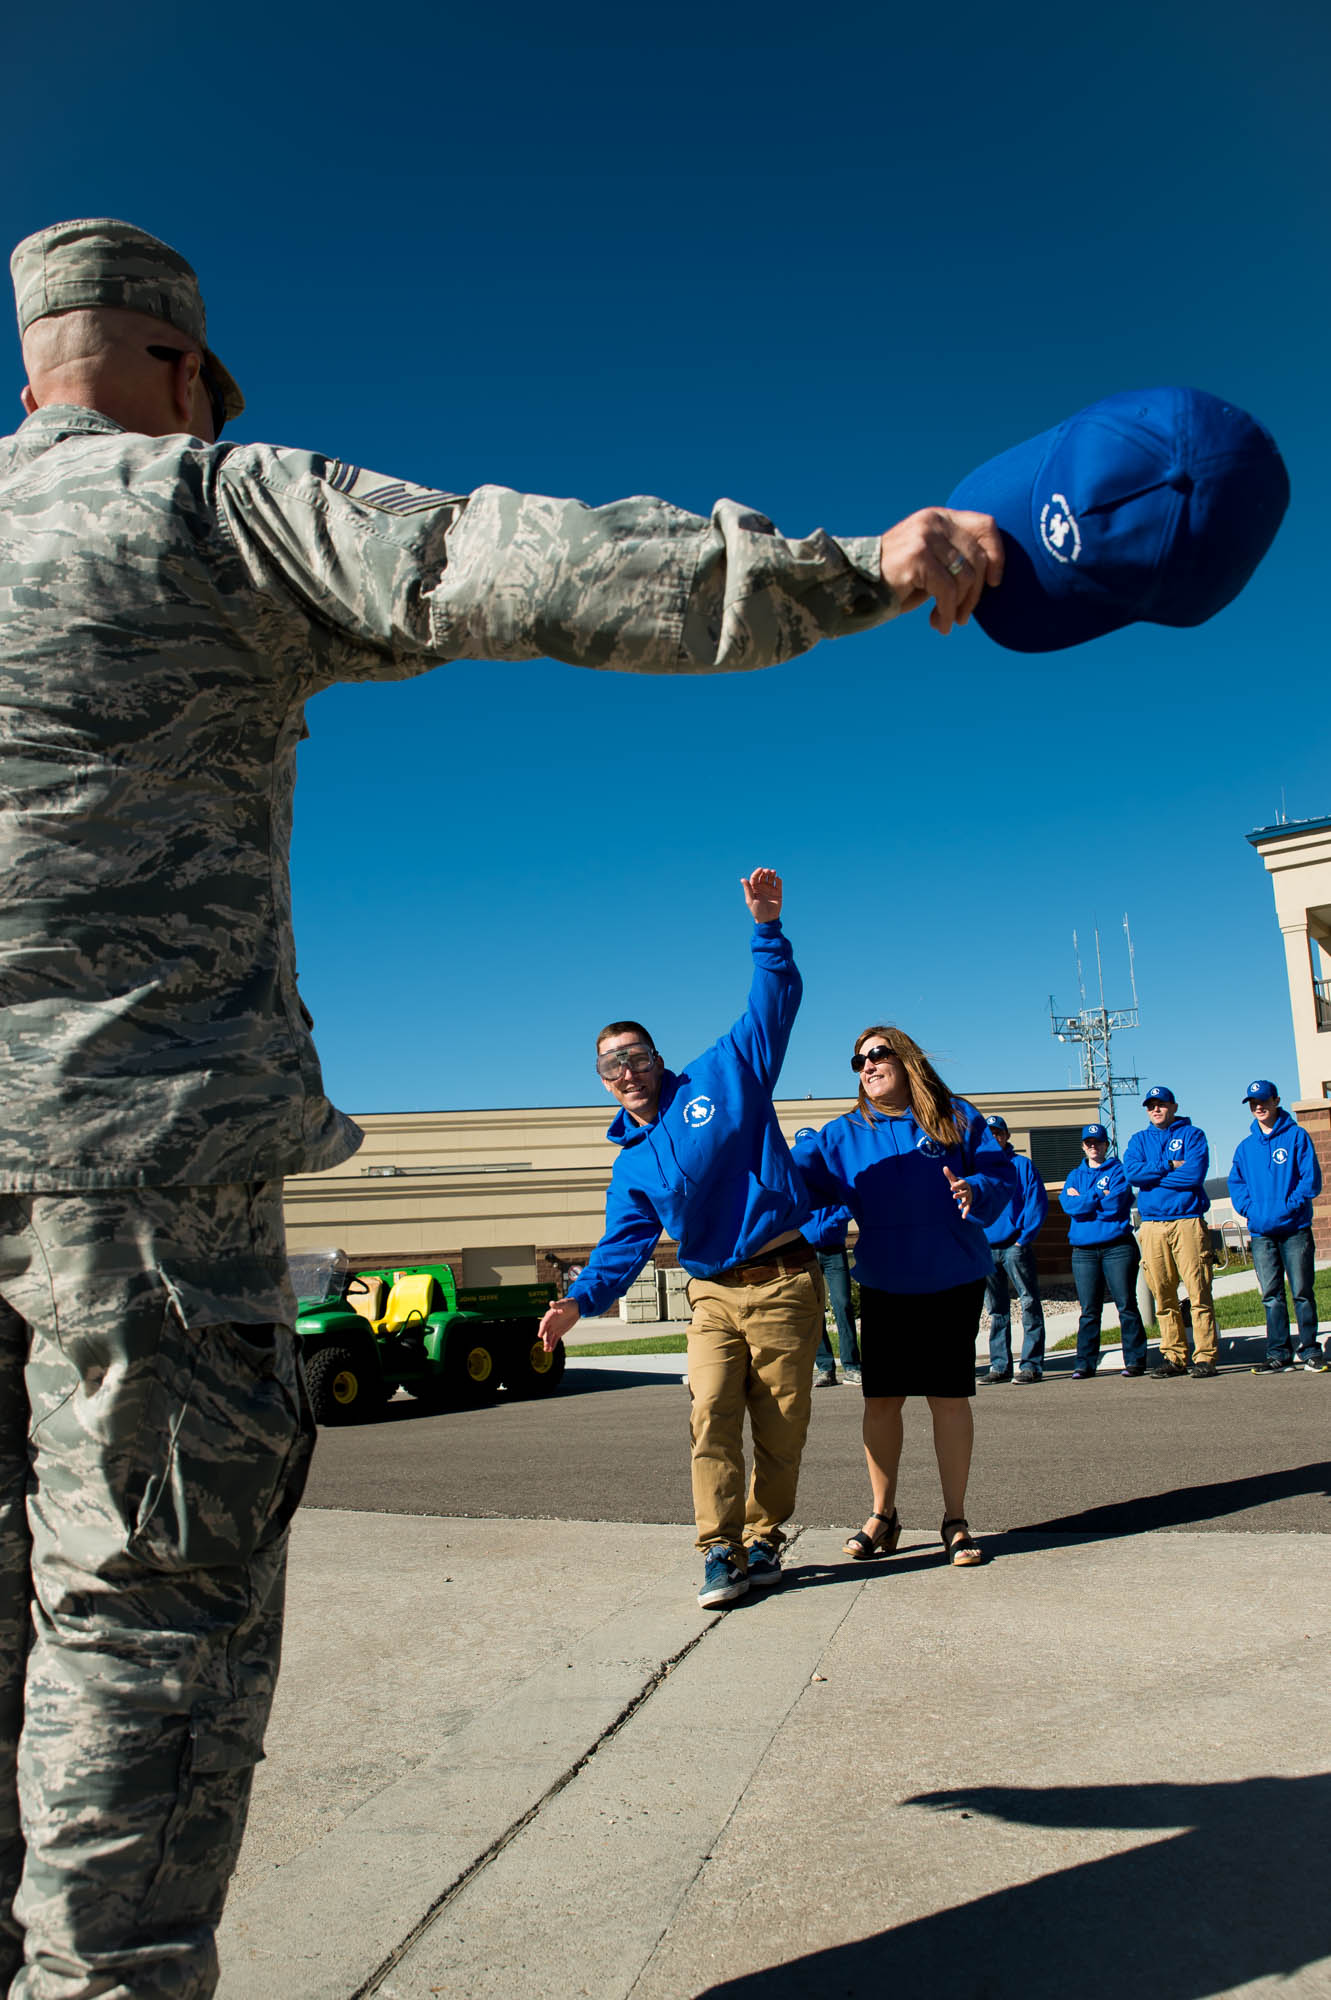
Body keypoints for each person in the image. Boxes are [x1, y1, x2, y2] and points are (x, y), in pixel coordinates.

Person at [0, 213, 1006, 1997]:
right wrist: (861, 566)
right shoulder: (203, 503)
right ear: (177, 373)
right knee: (144, 1646)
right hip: (126, 1184)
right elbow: (510, 563)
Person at [538, 872, 823, 1610]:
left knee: (782, 1431)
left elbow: (773, 1005)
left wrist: (767, 928)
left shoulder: (725, 1074)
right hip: (710, 1297)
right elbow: (622, 1245)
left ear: (658, 1059)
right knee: (710, 1417)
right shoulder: (630, 1166)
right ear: (602, 1083)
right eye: (611, 1066)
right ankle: (718, 1550)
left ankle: (765, 1536)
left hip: (783, 1279)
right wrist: (579, 1302)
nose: (626, 1071)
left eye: (635, 1056)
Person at [793, 1028, 1016, 1569]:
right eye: (858, 1060)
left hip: (952, 1279)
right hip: (886, 1282)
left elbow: (1000, 1173)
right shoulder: (843, 1135)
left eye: (877, 1053)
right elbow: (792, 1182)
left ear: (906, 1057)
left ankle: (955, 1520)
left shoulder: (954, 1116)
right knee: (881, 1402)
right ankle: (883, 1515)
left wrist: (976, 1189)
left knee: (948, 1398)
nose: (866, 1065)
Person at [1228, 1080, 1326, 1373]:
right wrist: (1251, 1211)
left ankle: (1310, 1350)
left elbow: (1311, 1181)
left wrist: (1288, 1206)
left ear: (1276, 1100)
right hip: (1261, 1233)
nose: (1259, 1107)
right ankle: (1278, 1353)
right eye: (1253, 1103)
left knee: (1302, 1292)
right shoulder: (1245, 1148)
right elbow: (1237, 1184)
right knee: (1271, 1296)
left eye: (1263, 1101)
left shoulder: (1297, 1136)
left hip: (1295, 1229)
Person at [1123, 1086, 1219, 1379]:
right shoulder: (1138, 1140)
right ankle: (1174, 1356)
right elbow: (1132, 1174)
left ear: (1173, 1106)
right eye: (1151, 1106)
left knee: (1198, 1291)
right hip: (1152, 1224)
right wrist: (1167, 1166)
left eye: (1161, 1104)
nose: (1156, 1109)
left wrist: (1154, 1179)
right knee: (1162, 1294)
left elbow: (1193, 1175)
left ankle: (1205, 1356)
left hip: (1187, 1220)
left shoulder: (1192, 1135)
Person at [1058, 1122, 1150, 1377]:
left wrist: (1084, 1199)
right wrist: (1097, 1195)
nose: (1093, 1146)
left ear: (1106, 1145)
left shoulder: (1119, 1171)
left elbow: (1115, 1204)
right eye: (1089, 1143)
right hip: (1084, 1252)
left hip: (1117, 1247)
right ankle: (1084, 1363)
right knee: (1089, 1310)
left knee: (1126, 1304)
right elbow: (1070, 1206)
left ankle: (1134, 1360)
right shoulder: (1074, 1175)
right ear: (1083, 1147)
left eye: (1098, 1142)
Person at [978, 1114, 1049, 1384]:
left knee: (1029, 1302)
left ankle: (1031, 1364)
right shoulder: (978, 1169)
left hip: (1015, 1247)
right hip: (986, 1248)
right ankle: (1000, 1366)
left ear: (1007, 1136)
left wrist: (1023, 1239)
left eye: (999, 1133)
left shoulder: (1022, 1166)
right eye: (990, 1133)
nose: (995, 1137)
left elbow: (1036, 1203)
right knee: (996, 1310)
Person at [794, 1170, 860, 1387]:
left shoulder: (834, 1179)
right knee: (814, 1310)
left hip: (834, 1250)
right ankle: (825, 1369)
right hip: (806, 1252)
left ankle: (851, 1366)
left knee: (842, 1305)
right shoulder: (797, 1180)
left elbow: (850, 1204)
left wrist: (829, 1224)